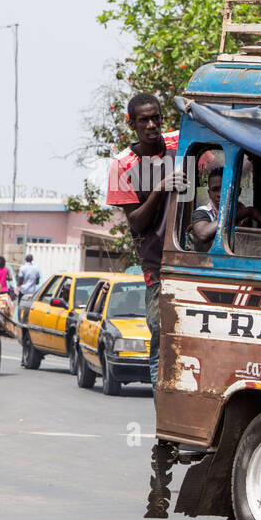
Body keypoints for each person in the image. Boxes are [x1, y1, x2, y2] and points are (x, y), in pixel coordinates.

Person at [105, 92, 184, 389]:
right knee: (161, 348)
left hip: (193, 259)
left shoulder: (180, 143)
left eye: (156, 118)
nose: (152, 125)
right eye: (144, 120)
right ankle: (163, 426)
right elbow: (135, 222)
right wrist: (161, 188)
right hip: (158, 268)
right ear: (132, 125)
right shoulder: (123, 165)